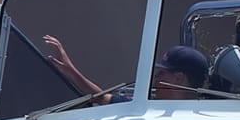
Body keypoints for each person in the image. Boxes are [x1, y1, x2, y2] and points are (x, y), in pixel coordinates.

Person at [43, 35, 208, 101]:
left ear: (179, 78)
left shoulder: (206, 116)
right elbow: (101, 97)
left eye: (162, 73)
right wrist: (70, 70)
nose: (156, 78)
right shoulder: (147, 106)